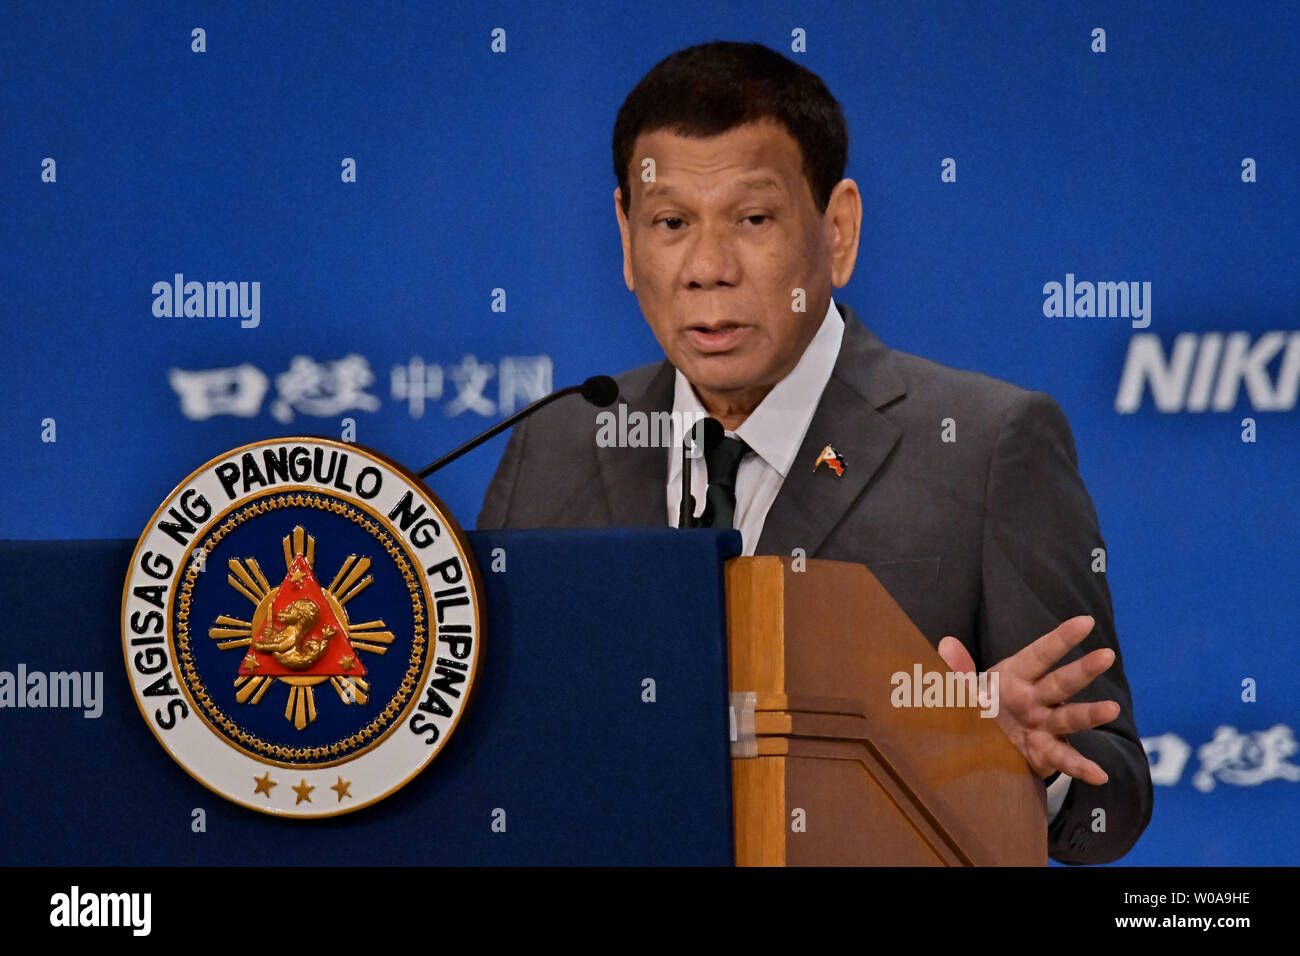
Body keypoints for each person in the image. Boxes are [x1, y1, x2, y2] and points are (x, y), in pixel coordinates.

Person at [477, 40, 1152, 865]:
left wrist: (1018, 767)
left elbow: (1111, 802)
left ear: (838, 230)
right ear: (625, 235)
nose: (707, 270)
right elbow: (498, 747)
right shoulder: (555, 444)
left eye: (753, 220)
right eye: (671, 224)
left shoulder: (986, 445)